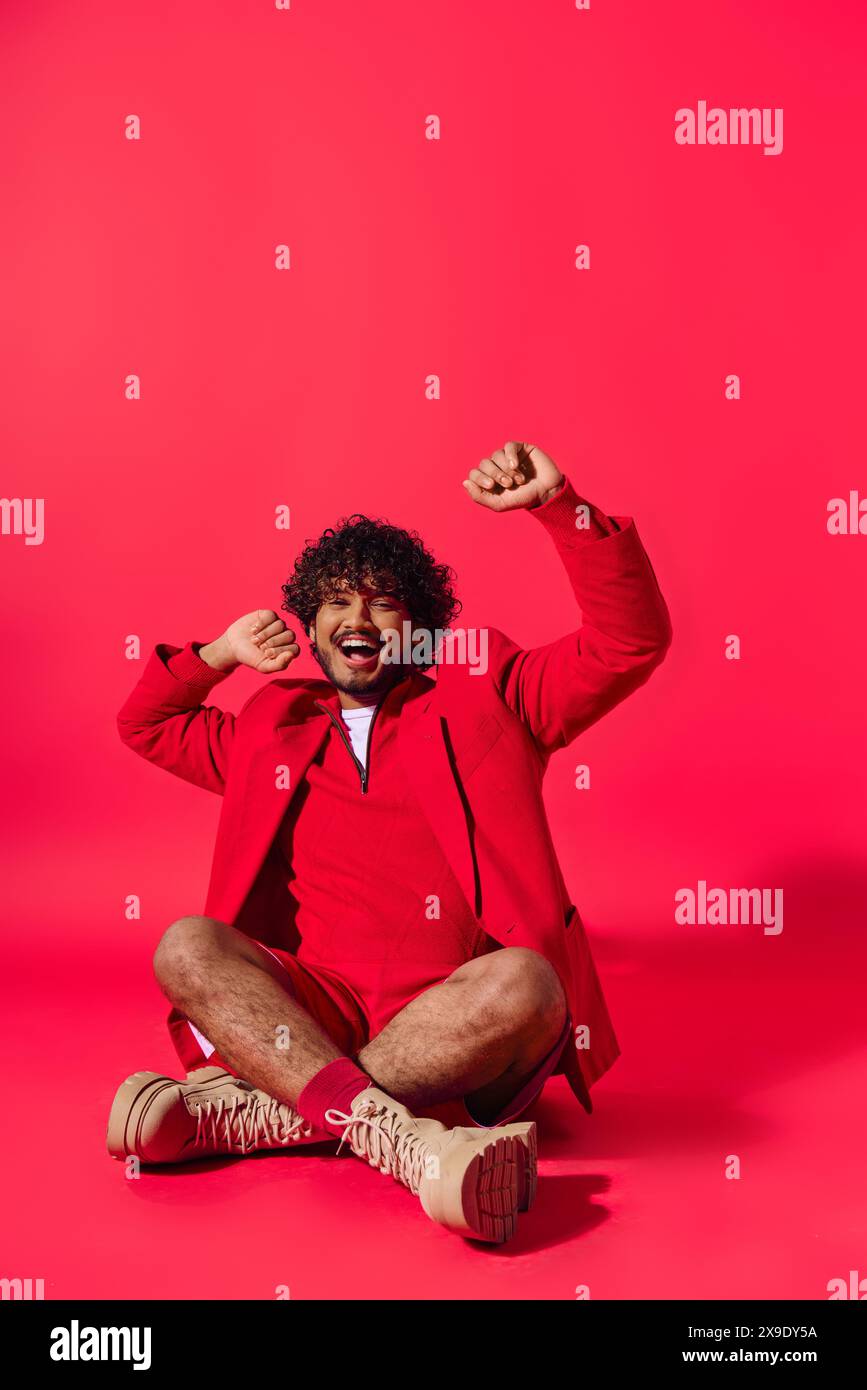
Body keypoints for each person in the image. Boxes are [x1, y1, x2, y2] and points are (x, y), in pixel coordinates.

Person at [107, 441, 672, 1244]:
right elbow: (145, 723)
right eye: (337, 602)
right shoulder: (271, 727)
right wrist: (219, 657)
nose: (357, 619)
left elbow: (628, 643)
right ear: (310, 625)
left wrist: (562, 508)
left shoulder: (492, 696)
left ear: (420, 629)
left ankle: (260, 1117)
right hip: (309, 1013)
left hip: (452, 1023)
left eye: (382, 603)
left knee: (530, 983)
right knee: (186, 946)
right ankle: (409, 1143)